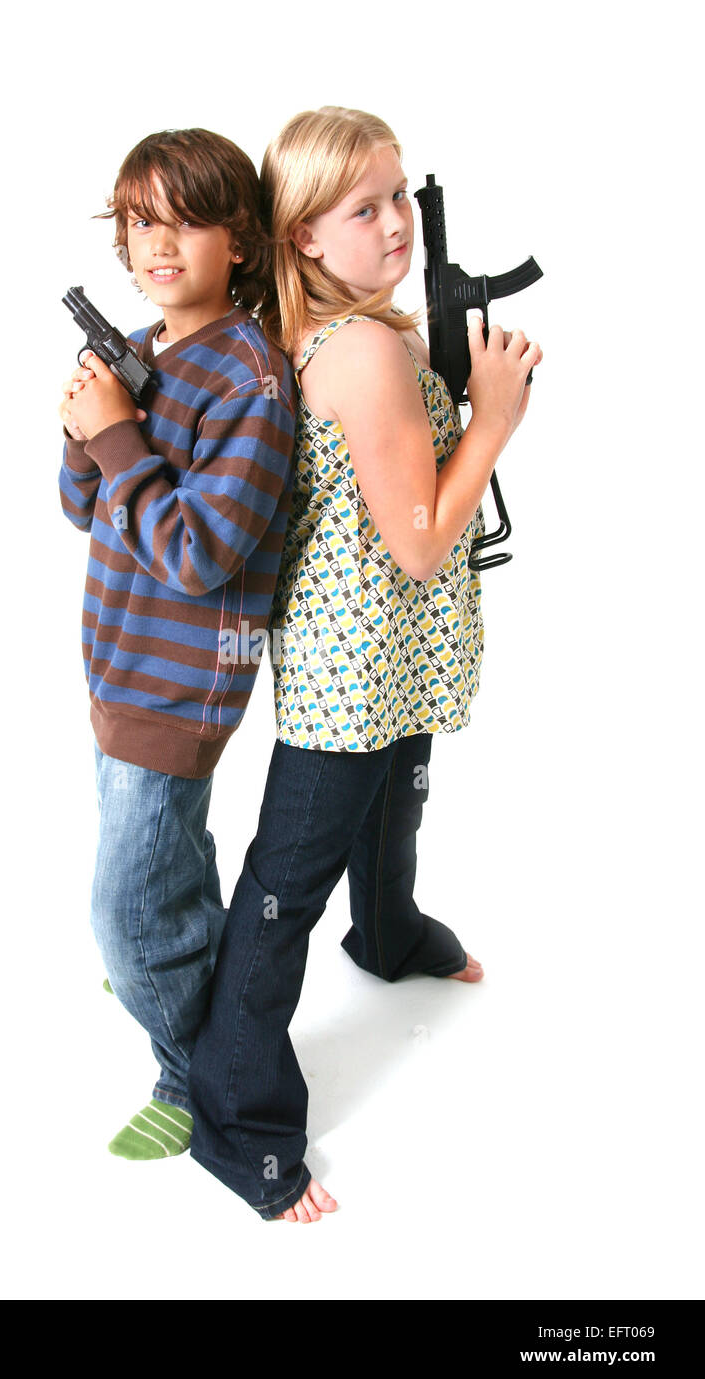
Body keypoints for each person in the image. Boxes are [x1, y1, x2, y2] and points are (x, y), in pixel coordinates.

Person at [187, 106, 542, 1220]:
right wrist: (490, 416)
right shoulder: (363, 350)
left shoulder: (340, 330)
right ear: (300, 237)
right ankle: (233, 1118)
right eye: (364, 207)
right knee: (285, 884)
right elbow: (422, 535)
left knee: (395, 809)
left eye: (398, 197)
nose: (394, 222)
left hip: (388, 652)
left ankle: (387, 933)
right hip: (352, 666)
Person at [58, 128, 296, 1162]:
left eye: (186, 219)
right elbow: (86, 509)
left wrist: (119, 436)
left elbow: (196, 553)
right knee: (160, 866)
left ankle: (183, 1065)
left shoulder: (248, 376)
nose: (158, 244)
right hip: (117, 663)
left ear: (237, 239)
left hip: (182, 679)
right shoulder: (150, 351)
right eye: (138, 221)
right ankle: (172, 958)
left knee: (124, 910)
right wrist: (85, 426)